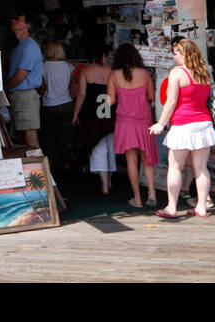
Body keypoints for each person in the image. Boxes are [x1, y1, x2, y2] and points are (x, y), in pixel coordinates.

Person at [149, 37, 215, 218]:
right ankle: (201, 207)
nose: (174, 58)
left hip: (183, 124)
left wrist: (160, 124)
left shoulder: (177, 73)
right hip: (204, 123)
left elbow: (171, 102)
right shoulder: (205, 71)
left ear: (184, 53)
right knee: (201, 168)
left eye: (176, 54)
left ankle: (172, 207)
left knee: (175, 167)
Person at [108, 43, 159, 208]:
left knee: (131, 160)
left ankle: (137, 199)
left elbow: (111, 101)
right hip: (144, 121)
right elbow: (151, 96)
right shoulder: (144, 74)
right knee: (147, 159)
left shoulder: (114, 75)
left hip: (125, 123)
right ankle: (152, 194)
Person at [73, 46, 115, 195]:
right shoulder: (113, 72)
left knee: (97, 148)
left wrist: (75, 113)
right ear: (103, 56)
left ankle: (104, 184)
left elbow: (82, 94)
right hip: (109, 113)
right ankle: (109, 181)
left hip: (91, 114)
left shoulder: (86, 71)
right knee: (111, 147)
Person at [5, 11, 43, 148]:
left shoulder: (29, 46)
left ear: (26, 26)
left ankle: (40, 169)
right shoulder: (19, 48)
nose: (13, 20)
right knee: (22, 137)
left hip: (25, 95)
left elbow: (21, 75)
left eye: (18, 19)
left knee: (29, 136)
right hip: (19, 95)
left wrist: (4, 88)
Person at [40, 40, 75, 174]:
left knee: (49, 137)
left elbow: (42, 88)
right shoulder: (68, 66)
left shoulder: (44, 66)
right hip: (66, 103)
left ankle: (52, 164)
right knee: (65, 135)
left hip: (49, 105)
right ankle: (66, 162)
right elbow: (71, 84)